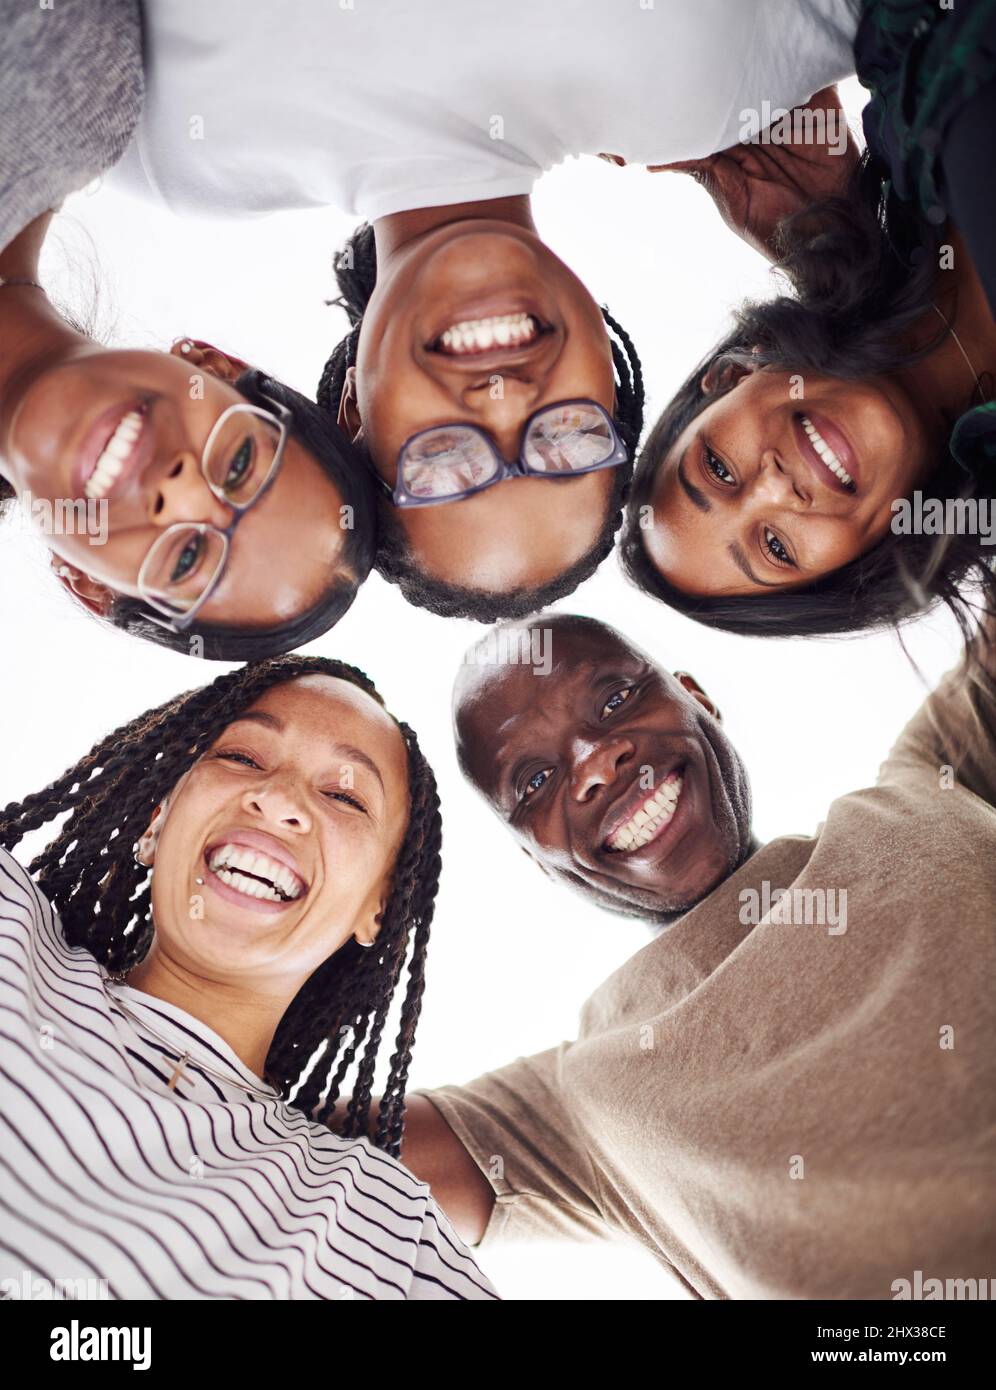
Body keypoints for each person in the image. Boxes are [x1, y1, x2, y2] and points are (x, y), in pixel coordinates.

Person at [110, 0, 862, 618]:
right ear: (608, 379)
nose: (502, 401)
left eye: (445, 459)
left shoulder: (177, 152)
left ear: (349, 415)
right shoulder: (703, 93)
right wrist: (857, 243)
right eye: (566, 442)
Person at [383, 611, 994, 1298]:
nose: (592, 762)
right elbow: (281, 1165)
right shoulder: (578, 1106)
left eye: (614, 700)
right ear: (539, 862)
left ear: (696, 698)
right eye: (533, 782)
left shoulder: (936, 778)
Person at [0, 653, 498, 1300]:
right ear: (156, 822)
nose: (279, 799)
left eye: (344, 795)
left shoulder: (377, 1224)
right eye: (242, 758)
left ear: (380, 908)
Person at [1, 0, 376, 659]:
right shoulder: (62, 76)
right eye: (239, 462)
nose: (179, 490)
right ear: (213, 365)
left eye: (187, 559)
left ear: (88, 586)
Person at [621, 3, 996, 639]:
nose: (773, 488)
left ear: (734, 373)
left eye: (718, 469)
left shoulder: (904, 133)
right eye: (776, 547)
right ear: (860, 571)